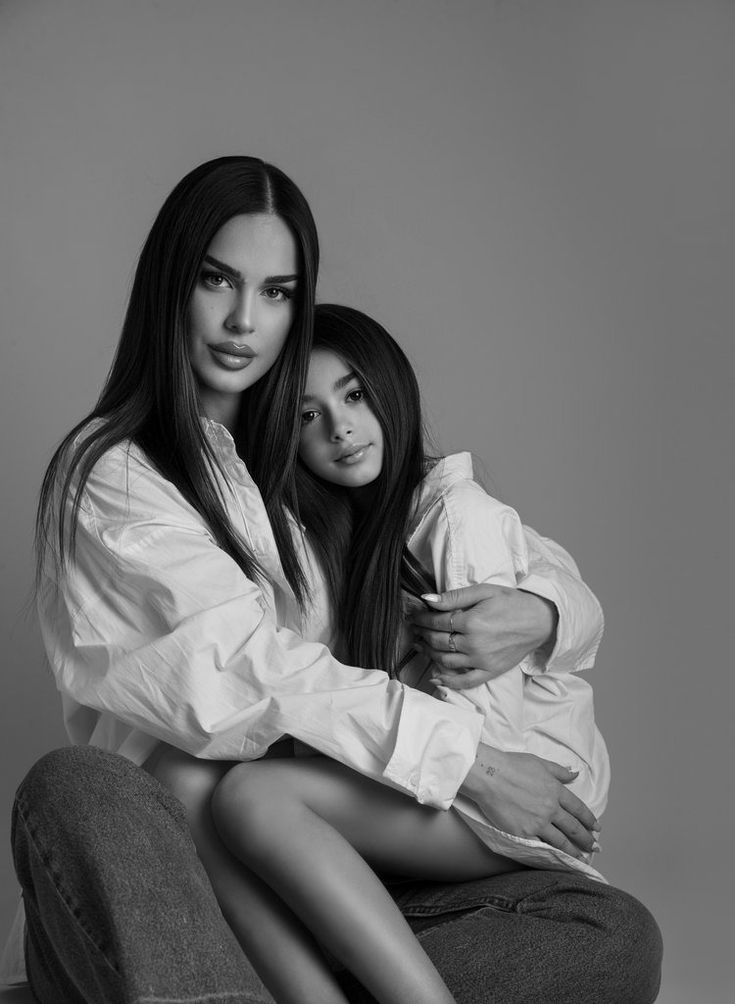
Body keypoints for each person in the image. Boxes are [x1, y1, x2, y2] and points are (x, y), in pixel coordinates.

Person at [3, 156, 662, 1003]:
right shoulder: (117, 474)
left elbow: (489, 533)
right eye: (217, 281)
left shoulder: (309, 463)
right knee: (100, 787)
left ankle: (306, 986)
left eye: (277, 292)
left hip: (326, 880)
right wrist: (465, 761)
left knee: (611, 935)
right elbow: (237, 672)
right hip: (180, 892)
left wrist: (541, 611)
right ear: (171, 283)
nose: (244, 320)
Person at [161, 303, 609, 1003]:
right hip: (456, 788)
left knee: (255, 797)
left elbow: (483, 743)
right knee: (183, 773)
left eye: (354, 395)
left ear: (389, 388)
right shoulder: (349, 535)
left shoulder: (458, 518)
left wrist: (547, 611)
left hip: (526, 793)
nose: (339, 428)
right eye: (306, 416)